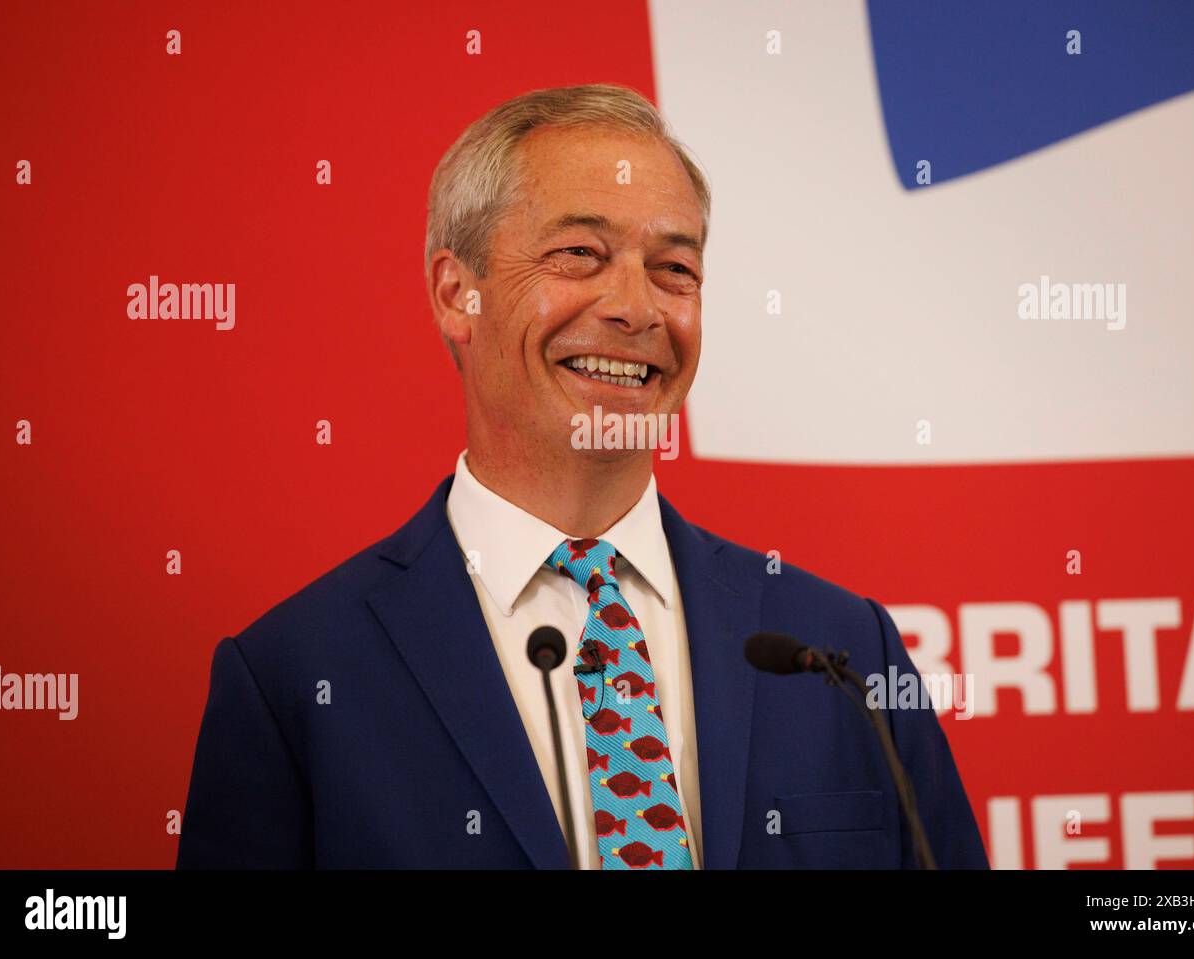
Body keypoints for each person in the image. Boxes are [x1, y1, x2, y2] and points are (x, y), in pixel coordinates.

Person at [176, 83, 988, 869]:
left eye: (675, 268)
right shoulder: (294, 677)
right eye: (580, 254)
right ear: (458, 293)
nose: (635, 306)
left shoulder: (844, 650)